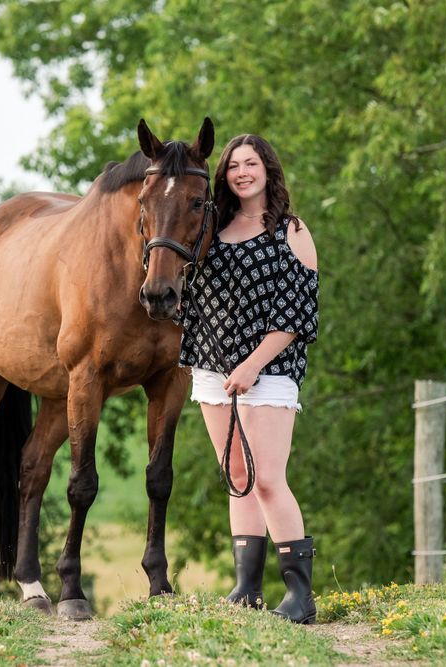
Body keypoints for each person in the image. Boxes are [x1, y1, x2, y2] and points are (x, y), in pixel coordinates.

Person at [178, 134, 319, 624]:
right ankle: (246, 590)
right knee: (239, 480)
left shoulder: (290, 231)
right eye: (234, 165)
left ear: (267, 170)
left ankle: (300, 596)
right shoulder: (211, 228)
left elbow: (298, 314)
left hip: (270, 372)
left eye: (250, 163)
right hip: (213, 369)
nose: (241, 171)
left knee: (268, 480)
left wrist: (253, 364)